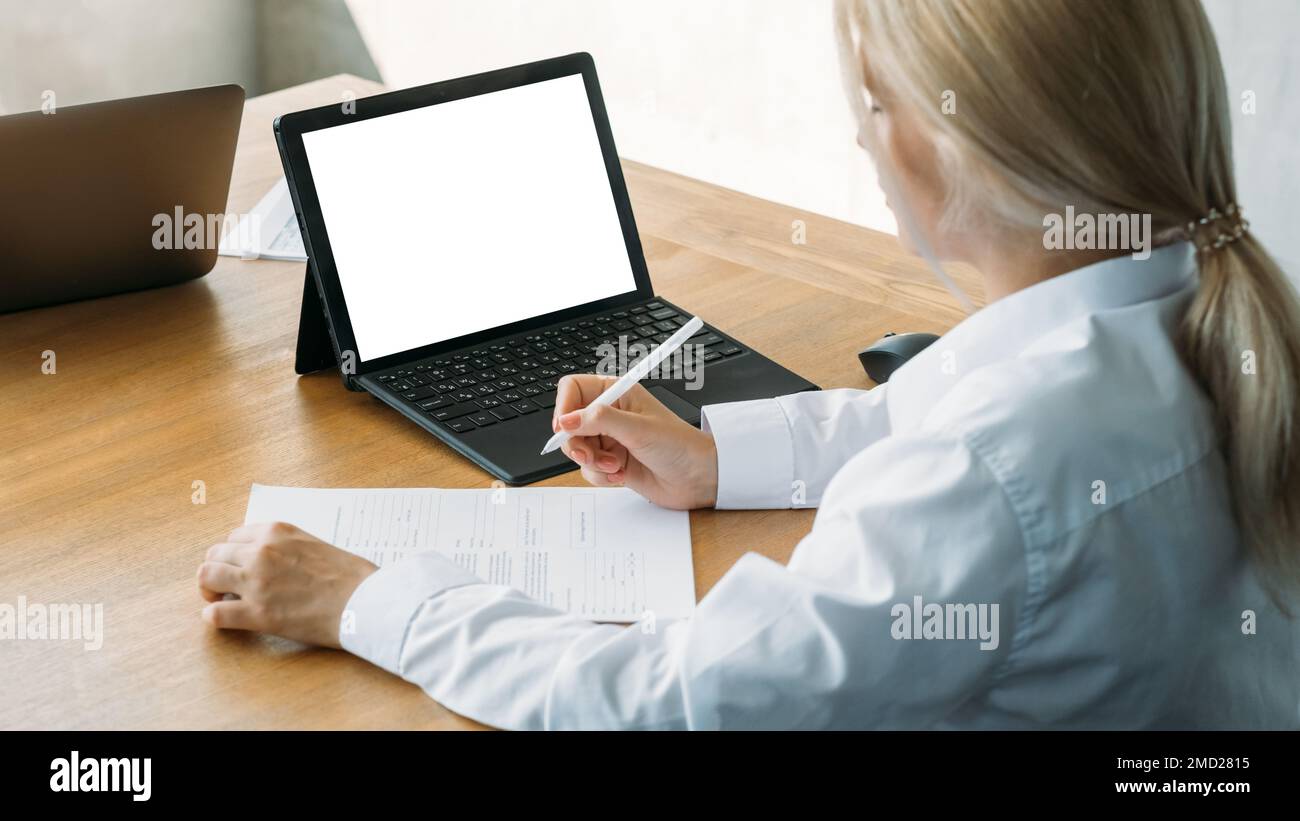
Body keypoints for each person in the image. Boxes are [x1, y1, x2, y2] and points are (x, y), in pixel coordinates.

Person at [196, 0, 1300, 729]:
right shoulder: (1178, 308)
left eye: (872, 104)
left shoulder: (991, 465)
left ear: (944, 146)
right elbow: (925, 420)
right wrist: (710, 456)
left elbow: (673, 699)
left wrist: (368, 600)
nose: (862, 140)